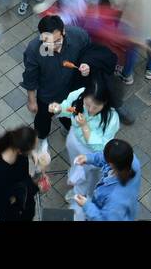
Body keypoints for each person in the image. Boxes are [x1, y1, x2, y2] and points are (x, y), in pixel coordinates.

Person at [52, 76, 122, 212]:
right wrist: (59, 109)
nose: (90, 110)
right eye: (87, 104)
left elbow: (102, 147)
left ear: (105, 103)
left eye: (96, 107)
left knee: (85, 174)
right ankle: (77, 180)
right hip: (74, 140)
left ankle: (79, 192)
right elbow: (69, 106)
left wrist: (85, 127)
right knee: (76, 165)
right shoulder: (80, 94)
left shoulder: (112, 118)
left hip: (91, 152)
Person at [22, 14, 91, 150]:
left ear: (63, 31)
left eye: (57, 41)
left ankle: (67, 129)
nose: (54, 47)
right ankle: (42, 138)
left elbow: (89, 53)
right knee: (43, 120)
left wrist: (87, 64)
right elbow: (30, 76)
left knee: (70, 116)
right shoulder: (34, 50)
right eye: (48, 43)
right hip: (48, 95)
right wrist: (31, 99)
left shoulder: (79, 36)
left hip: (72, 92)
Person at [74, 138, 141, 221]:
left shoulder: (115, 200)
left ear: (112, 164)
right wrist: (88, 158)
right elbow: (107, 157)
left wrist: (86, 206)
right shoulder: (131, 159)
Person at [0, 126, 41, 221]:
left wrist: (32, 153)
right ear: (21, 151)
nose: (34, 150)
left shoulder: (13, 144)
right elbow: (16, 196)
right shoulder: (1, 173)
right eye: (32, 148)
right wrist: (38, 184)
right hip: (13, 212)